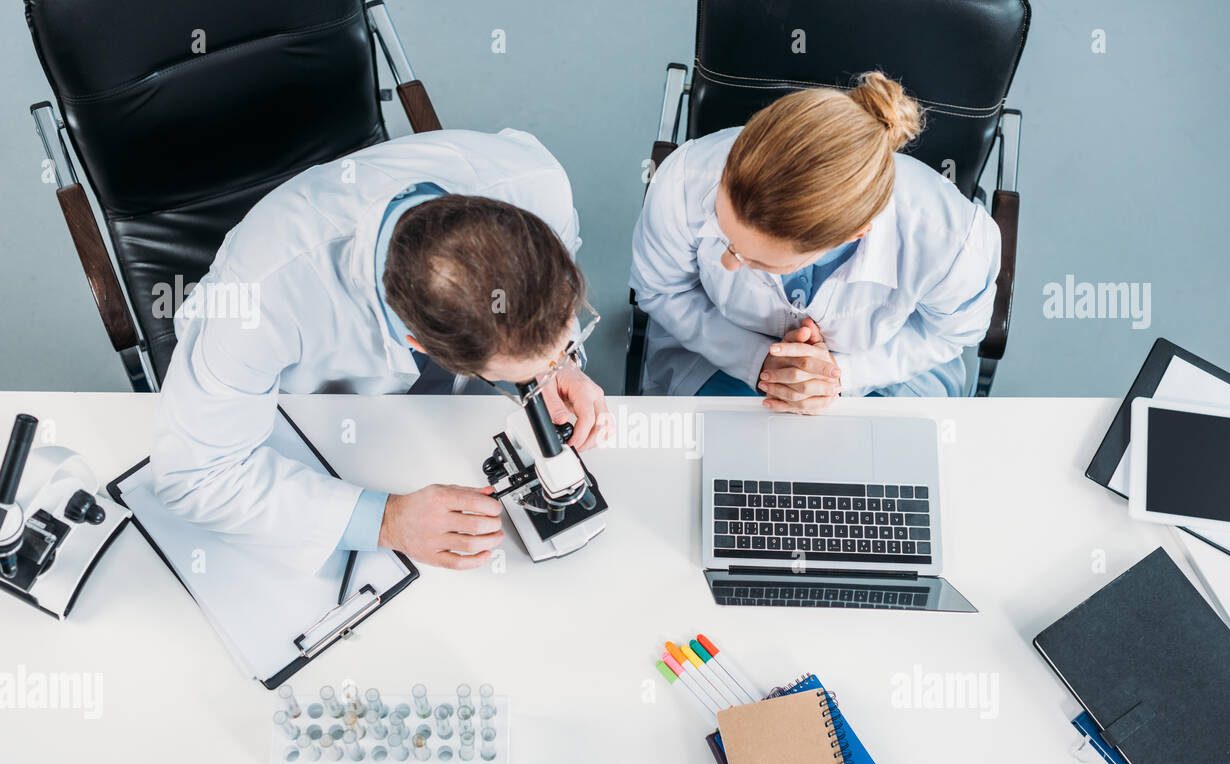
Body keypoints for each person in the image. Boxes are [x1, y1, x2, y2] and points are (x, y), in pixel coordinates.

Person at [152, 129, 607, 575]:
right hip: (312, 406)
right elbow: (194, 478)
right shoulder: (257, 300)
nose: (545, 372)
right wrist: (386, 520)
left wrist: (555, 361)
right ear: (421, 348)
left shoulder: (535, 183)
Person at [629, 72, 1001, 410]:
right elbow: (663, 291)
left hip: (887, 370)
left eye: (759, 261)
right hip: (717, 349)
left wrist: (839, 375)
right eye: (725, 236)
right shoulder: (684, 182)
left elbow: (951, 333)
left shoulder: (950, 238)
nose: (726, 264)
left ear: (856, 234)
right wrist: (756, 360)